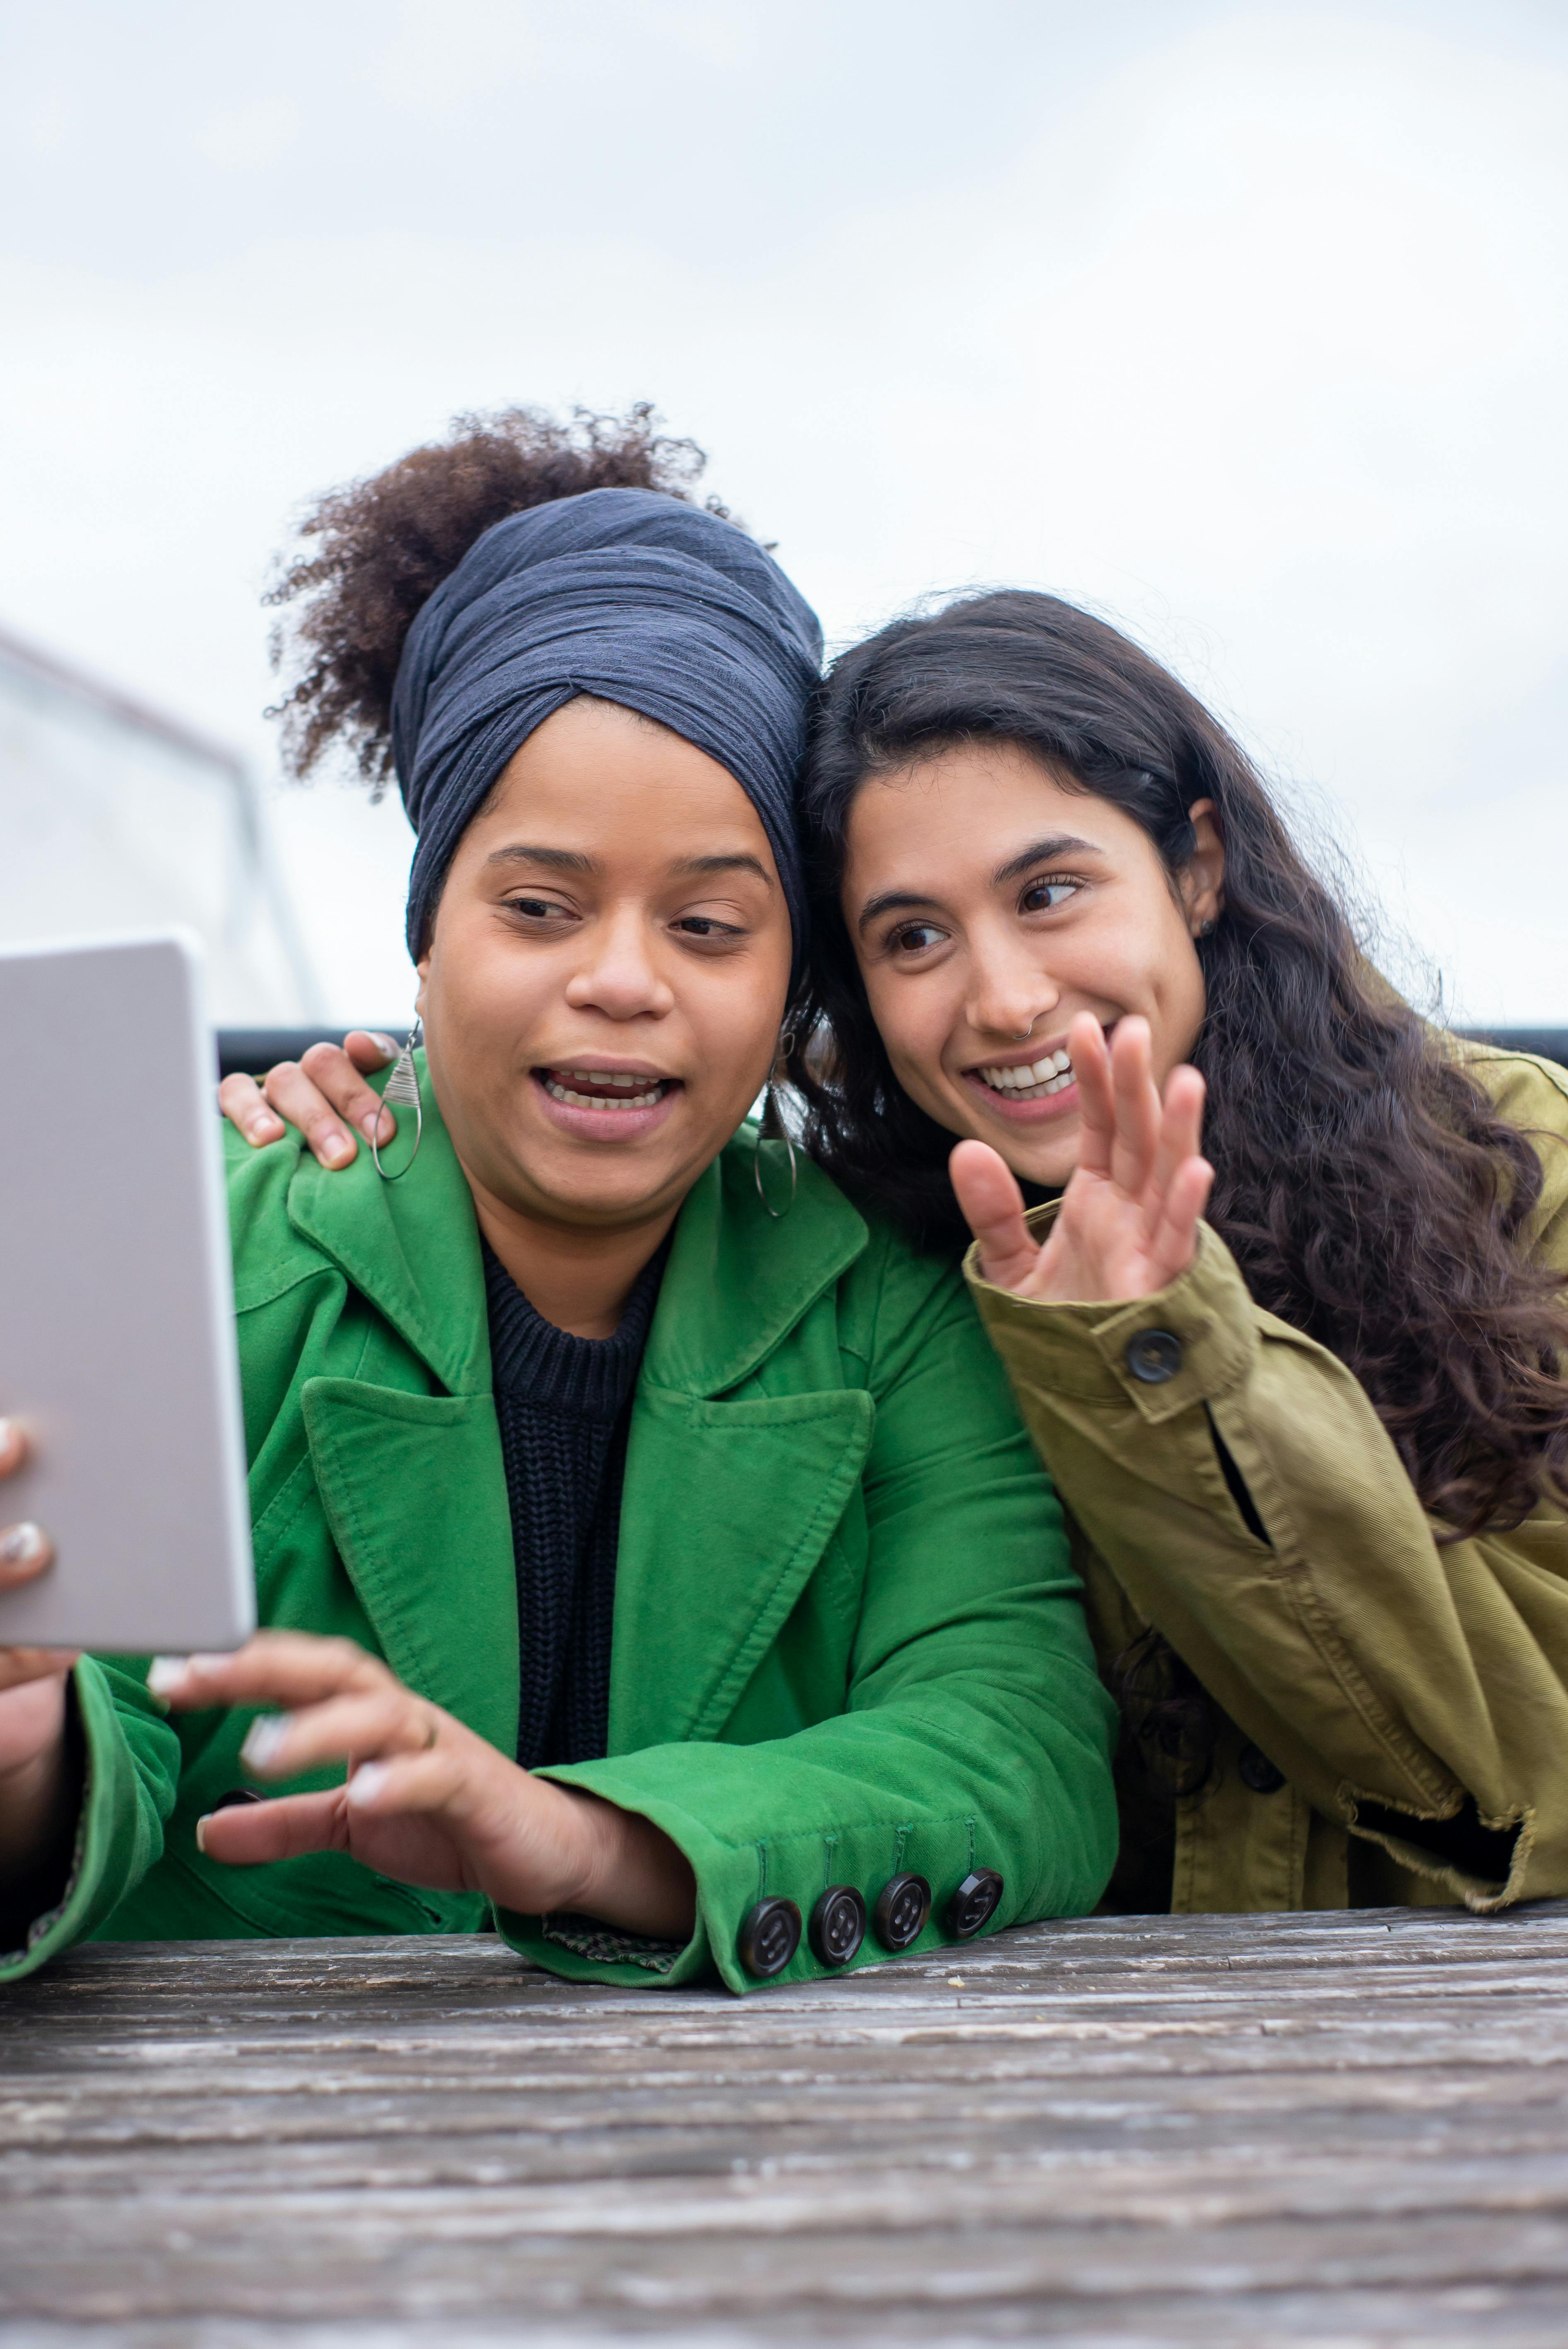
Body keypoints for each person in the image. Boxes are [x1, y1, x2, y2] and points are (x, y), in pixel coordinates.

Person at [0, 420, 1118, 1989]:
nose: (618, 981)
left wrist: (585, 1843)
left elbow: (1013, 1749)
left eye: (713, 926)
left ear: (793, 976)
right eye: (536, 908)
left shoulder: (899, 1299)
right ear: (425, 935)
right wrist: (25, 1748)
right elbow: (86, 1691)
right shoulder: (184, 1248)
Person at [261, 578, 1568, 1919]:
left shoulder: (1509, 1165)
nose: (1002, 998)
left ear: (1195, 865)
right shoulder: (884, 1254)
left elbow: (1522, 1762)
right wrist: (401, 1099)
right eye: (913, 936)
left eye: (1051, 891)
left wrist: (1158, 1347)